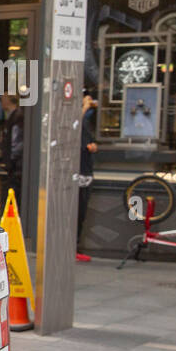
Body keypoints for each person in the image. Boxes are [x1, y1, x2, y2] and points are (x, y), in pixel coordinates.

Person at [77, 93, 98, 262]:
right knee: (77, 210)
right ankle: (72, 246)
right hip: (79, 172)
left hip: (85, 171)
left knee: (80, 211)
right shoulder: (79, 120)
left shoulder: (86, 121)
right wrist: (84, 108)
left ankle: (74, 245)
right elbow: (75, 127)